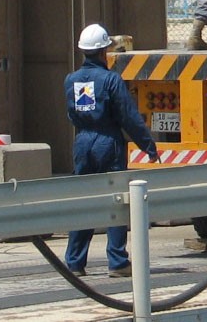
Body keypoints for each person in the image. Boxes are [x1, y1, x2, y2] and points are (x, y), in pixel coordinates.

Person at [64, 23, 160, 278]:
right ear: (103, 51)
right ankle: (117, 262)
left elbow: (72, 114)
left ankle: (75, 262)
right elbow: (129, 117)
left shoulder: (71, 80)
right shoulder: (111, 80)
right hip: (108, 141)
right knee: (117, 200)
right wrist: (148, 146)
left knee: (84, 201)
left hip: (83, 141)